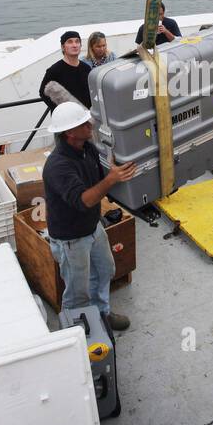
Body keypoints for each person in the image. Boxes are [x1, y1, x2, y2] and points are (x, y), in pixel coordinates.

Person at [41, 101, 137, 330]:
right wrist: (112, 179)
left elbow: (98, 178)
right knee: (77, 292)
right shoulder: (58, 166)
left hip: (92, 227)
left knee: (105, 270)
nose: (90, 123)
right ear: (69, 133)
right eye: (83, 123)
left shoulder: (87, 148)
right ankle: (75, 333)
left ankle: (101, 314)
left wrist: (114, 171)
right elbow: (85, 200)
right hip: (71, 240)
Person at [39, 30, 93, 109]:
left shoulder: (86, 68)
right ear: (63, 47)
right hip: (66, 118)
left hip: (86, 116)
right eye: (70, 42)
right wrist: (60, 110)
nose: (74, 45)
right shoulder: (54, 70)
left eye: (77, 42)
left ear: (80, 45)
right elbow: (43, 93)